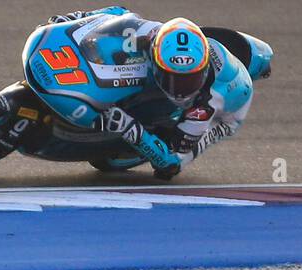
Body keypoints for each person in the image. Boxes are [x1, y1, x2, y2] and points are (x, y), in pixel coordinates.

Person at [44, 8, 255, 178]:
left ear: (204, 70)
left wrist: (128, 127)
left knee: (172, 165)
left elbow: (170, 158)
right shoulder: (149, 33)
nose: (179, 89)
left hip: (228, 115)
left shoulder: (209, 101)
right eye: (170, 78)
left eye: (188, 80)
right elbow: (116, 14)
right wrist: (74, 18)